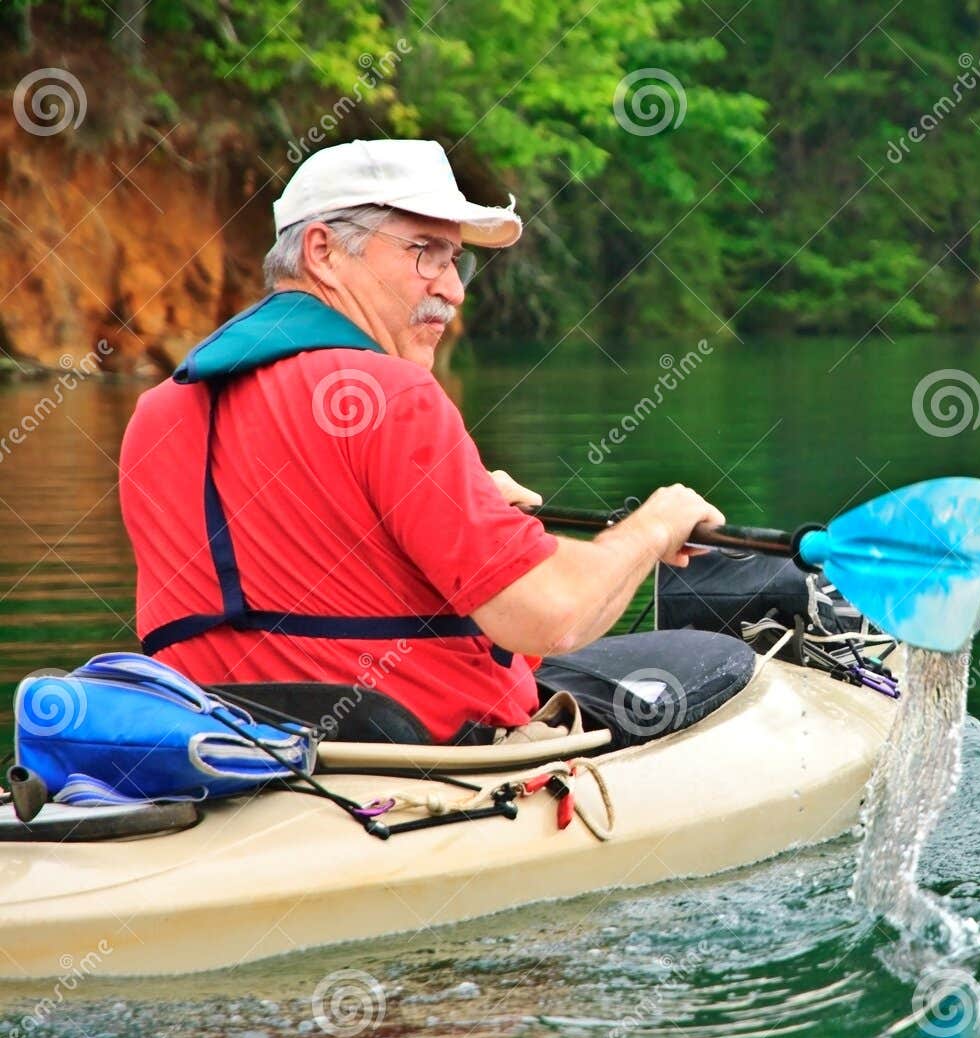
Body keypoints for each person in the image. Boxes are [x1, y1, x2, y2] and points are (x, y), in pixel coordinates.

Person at [119, 139, 723, 742]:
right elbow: (551, 616)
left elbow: (300, 565)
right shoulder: (389, 391)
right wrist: (655, 528)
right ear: (324, 251)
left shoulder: (157, 413)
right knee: (718, 659)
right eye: (425, 254)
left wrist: (457, 507)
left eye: (455, 260)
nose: (454, 290)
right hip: (411, 767)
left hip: (220, 750)